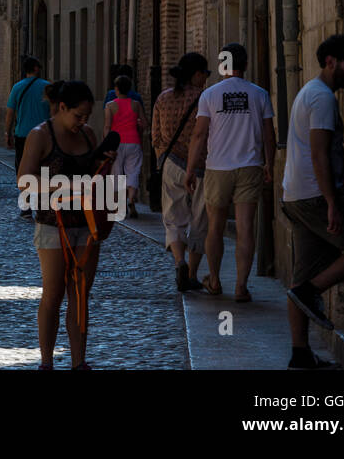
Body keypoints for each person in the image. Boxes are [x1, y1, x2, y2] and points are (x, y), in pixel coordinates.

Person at [282, 34, 344, 369]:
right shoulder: (321, 99)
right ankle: (311, 294)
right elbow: (319, 154)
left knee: (300, 276)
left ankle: (300, 354)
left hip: (297, 196)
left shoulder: (311, 93)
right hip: (315, 194)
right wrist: (332, 202)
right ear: (331, 61)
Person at [20, 80, 109, 369]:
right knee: (54, 293)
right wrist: (65, 187)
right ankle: (46, 362)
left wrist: (105, 166)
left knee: (80, 295)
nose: (82, 122)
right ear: (61, 108)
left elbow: (97, 176)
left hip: (87, 225)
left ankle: (79, 363)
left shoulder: (88, 135)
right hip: (52, 226)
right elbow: (24, 182)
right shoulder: (40, 135)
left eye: (86, 117)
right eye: (78, 116)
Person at [185, 43, 275, 302]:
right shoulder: (259, 94)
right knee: (246, 227)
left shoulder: (210, 95)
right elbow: (269, 134)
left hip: (217, 168)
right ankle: (241, 286)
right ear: (245, 65)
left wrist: (190, 169)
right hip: (249, 166)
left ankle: (214, 280)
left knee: (215, 227)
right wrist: (269, 163)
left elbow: (199, 134)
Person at [152, 52, 210, 292]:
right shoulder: (205, 98)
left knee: (173, 217)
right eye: (205, 74)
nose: (206, 79)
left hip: (171, 164)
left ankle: (179, 262)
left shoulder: (163, 99)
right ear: (196, 74)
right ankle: (193, 274)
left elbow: (155, 135)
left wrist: (161, 161)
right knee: (199, 218)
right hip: (200, 166)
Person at [5, 56, 51, 218]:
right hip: (44, 135)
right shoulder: (47, 87)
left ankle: (26, 206)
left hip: (22, 134)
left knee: (23, 169)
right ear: (36, 69)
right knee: (44, 169)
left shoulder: (17, 87)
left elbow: (10, 113)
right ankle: (43, 205)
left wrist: (7, 132)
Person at [103, 74, 147, 215]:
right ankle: (131, 200)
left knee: (116, 173)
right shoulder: (136, 104)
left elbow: (107, 127)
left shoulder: (110, 106)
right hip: (134, 142)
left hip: (117, 143)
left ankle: (117, 205)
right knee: (133, 172)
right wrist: (138, 126)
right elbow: (145, 123)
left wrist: (106, 144)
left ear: (116, 88)